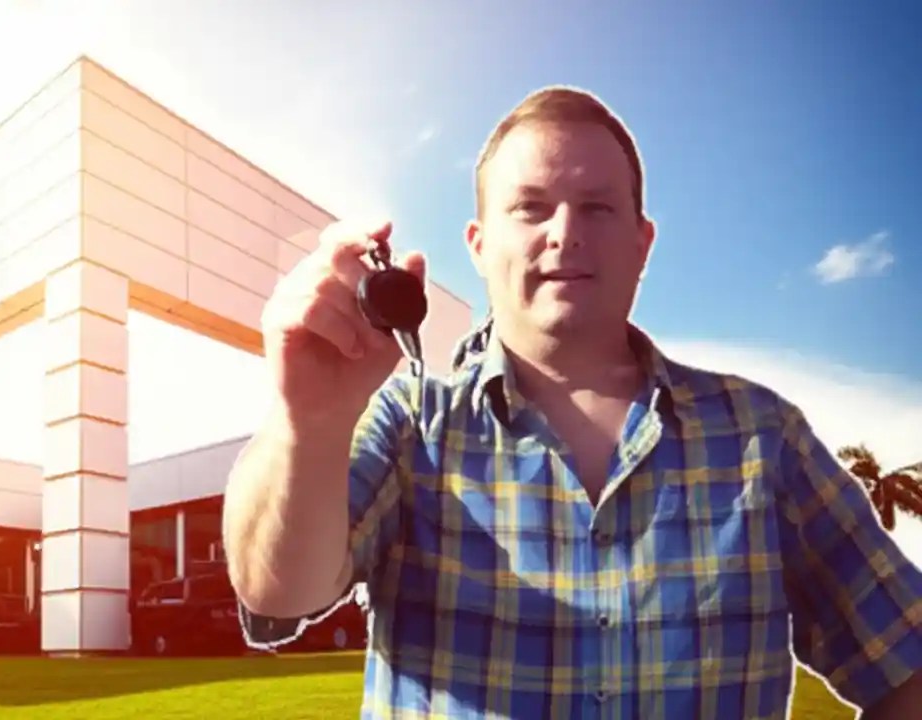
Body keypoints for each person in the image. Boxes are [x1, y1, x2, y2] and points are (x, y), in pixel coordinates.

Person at [222, 86, 922, 718]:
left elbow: (906, 662)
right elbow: (276, 589)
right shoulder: (412, 420)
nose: (565, 231)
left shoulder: (761, 436)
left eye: (597, 206)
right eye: (530, 207)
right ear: (478, 243)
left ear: (642, 243)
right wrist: (307, 421)